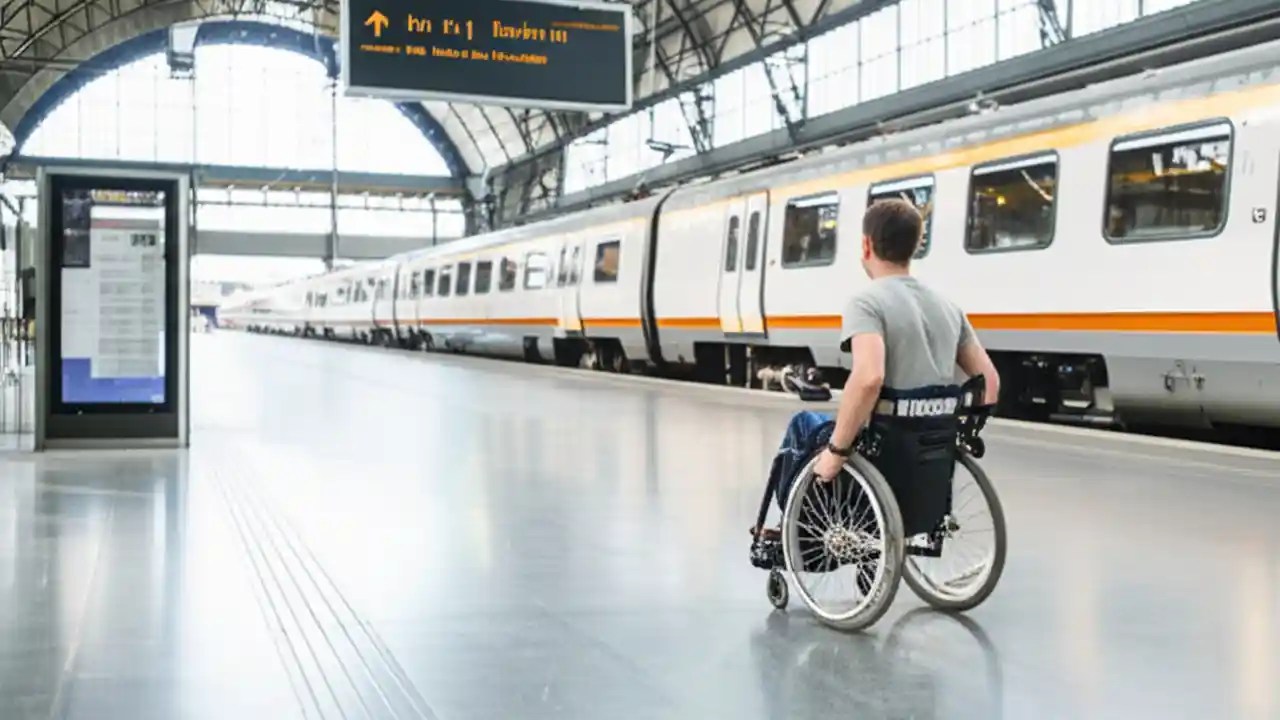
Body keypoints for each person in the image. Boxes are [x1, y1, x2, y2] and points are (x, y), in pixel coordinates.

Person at [764, 198, 1000, 518]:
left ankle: (784, 528)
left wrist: (837, 451)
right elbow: (989, 383)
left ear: (866, 245)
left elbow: (869, 378)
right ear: (915, 247)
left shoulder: (866, 303)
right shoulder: (948, 307)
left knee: (803, 425)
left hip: (883, 445)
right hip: (932, 447)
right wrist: (955, 431)